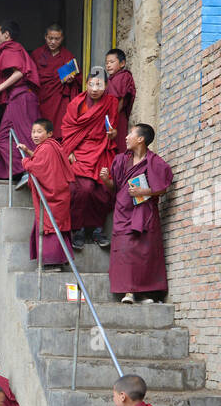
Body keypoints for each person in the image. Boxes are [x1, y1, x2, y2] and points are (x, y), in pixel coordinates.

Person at [100, 123, 173, 304]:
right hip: (123, 211)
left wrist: (144, 192)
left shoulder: (154, 162)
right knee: (124, 251)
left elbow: (163, 188)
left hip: (143, 212)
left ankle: (144, 293)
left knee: (143, 252)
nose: (126, 137)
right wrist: (105, 180)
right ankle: (128, 292)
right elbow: (115, 187)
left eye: (130, 134)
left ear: (140, 139)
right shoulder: (121, 160)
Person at [60, 68, 120, 251]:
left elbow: (114, 128)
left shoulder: (111, 102)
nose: (95, 89)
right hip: (80, 151)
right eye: (92, 84)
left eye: (99, 85)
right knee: (83, 189)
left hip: (102, 149)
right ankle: (78, 229)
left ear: (106, 86)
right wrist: (68, 150)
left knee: (103, 189)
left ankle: (97, 229)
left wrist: (113, 133)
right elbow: (67, 128)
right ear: (86, 85)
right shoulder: (76, 103)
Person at [0, 20, 41, 183]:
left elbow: (19, 73)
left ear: (6, 35)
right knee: (9, 136)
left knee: (11, 136)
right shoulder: (13, 49)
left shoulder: (10, 48)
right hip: (20, 98)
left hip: (21, 98)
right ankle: (23, 170)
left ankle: (27, 170)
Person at [17, 117, 75, 268]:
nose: (35, 135)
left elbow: (37, 167)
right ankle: (58, 261)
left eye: (39, 132)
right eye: (33, 132)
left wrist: (24, 161)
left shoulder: (47, 147)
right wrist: (28, 151)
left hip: (52, 197)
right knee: (54, 227)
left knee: (50, 228)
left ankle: (52, 264)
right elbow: (42, 162)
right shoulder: (50, 146)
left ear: (49, 134)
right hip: (58, 194)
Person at [31, 23, 78, 138]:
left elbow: (77, 78)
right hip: (41, 97)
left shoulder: (67, 56)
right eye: (50, 38)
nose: (53, 42)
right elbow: (31, 77)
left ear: (62, 39)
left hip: (59, 98)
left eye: (56, 39)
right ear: (45, 37)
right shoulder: (37, 54)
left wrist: (71, 80)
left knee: (58, 128)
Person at [104, 49, 136, 155]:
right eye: (107, 63)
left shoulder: (125, 76)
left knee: (118, 145)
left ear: (122, 63)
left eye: (112, 62)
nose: (108, 65)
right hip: (107, 119)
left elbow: (121, 99)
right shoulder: (108, 80)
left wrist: (114, 117)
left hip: (118, 117)